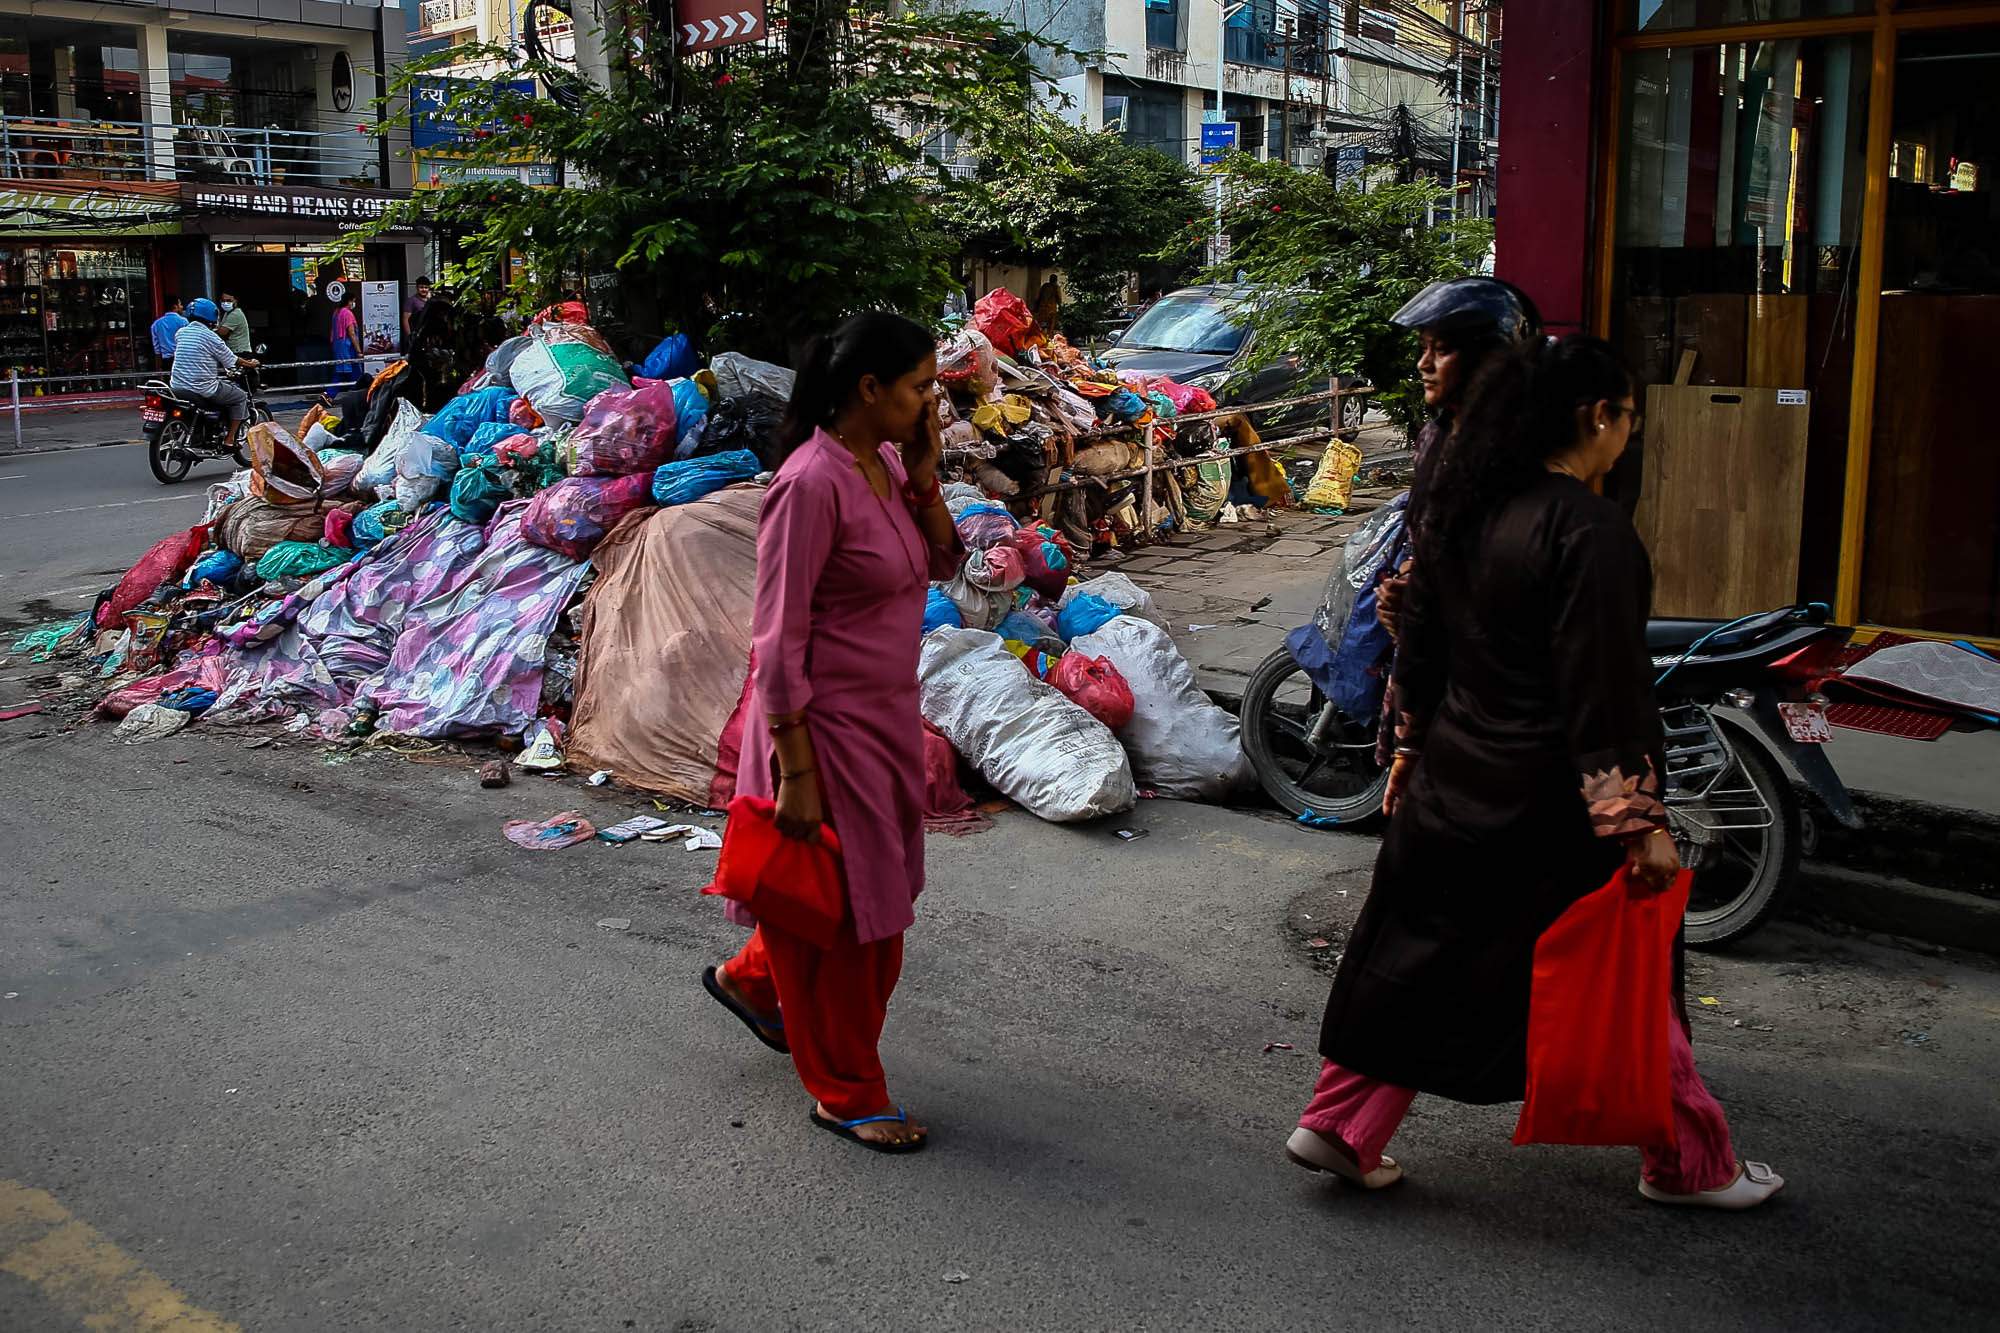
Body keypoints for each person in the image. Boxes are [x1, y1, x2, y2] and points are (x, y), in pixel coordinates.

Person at [1285, 336, 1785, 1211]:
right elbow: (1602, 696)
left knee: (1419, 961)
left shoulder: (1470, 512)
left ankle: (1338, 1124)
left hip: (1451, 784)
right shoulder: (1586, 531)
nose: (1629, 435)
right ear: (1597, 416)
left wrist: (1406, 751)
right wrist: (1636, 820)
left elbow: (1421, 648)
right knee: (1630, 980)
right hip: (1545, 809)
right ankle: (1689, 1162)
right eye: (1629, 417)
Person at [701, 312, 962, 1154]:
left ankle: (752, 981)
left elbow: (947, 561)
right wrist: (798, 771)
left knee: (848, 897)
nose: (932, 401)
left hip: (886, 721)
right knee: (860, 925)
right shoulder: (809, 481)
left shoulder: (884, 462)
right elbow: (776, 638)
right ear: (869, 388)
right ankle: (847, 1089)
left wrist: (924, 477)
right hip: (819, 732)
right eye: (921, 386)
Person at [170, 298, 259, 455]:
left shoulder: (181, 333)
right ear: (212, 316)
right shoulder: (210, 336)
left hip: (177, 386)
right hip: (202, 388)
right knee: (239, 396)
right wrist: (251, 364)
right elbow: (231, 360)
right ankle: (230, 440)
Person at [330, 291, 362, 390]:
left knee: (344, 371)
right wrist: (359, 351)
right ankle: (357, 393)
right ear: (349, 301)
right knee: (351, 371)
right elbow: (351, 333)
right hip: (348, 348)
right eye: (353, 301)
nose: (353, 304)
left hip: (338, 346)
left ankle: (355, 392)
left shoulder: (336, 312)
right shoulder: (347, 314)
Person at [149, 296, 186, 374]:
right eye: (180, 304)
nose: (182, 307)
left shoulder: (156, 324)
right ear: (175, 306)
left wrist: (159, 364)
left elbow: (156, 348)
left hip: (166, 360)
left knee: (168, 383)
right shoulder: (183, 322)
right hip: (182, 359)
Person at [216, 292, 252, 357]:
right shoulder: (227, 313)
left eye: (228, 301)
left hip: (239, 352)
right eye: (223, 301)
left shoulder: (235, 314)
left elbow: (222, 333)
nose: (225, 303)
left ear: (235, 301)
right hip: (233, 352)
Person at [402, 276, 432, 349]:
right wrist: (410, 336)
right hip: (416, 336)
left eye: (426, 287)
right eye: (421, 287)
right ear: (417, 288)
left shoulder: (430, 301)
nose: (424, 289)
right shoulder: (411, 301)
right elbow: (405, 319)